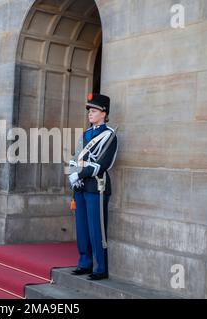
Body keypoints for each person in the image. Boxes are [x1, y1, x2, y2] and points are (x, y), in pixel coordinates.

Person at [68, 93, 118, 280]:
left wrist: (79, 173)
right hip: (81, 187)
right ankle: (85, 262)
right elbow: (75, 158)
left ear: (104, 113)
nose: (90, 113)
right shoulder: (86, 134)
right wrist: (72, 175)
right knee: (82, 227)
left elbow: (103, 164)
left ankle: (101, 267)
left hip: (98, 187)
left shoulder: (109, 135)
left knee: (97, 228)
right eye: (89, 110)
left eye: (94, 110)